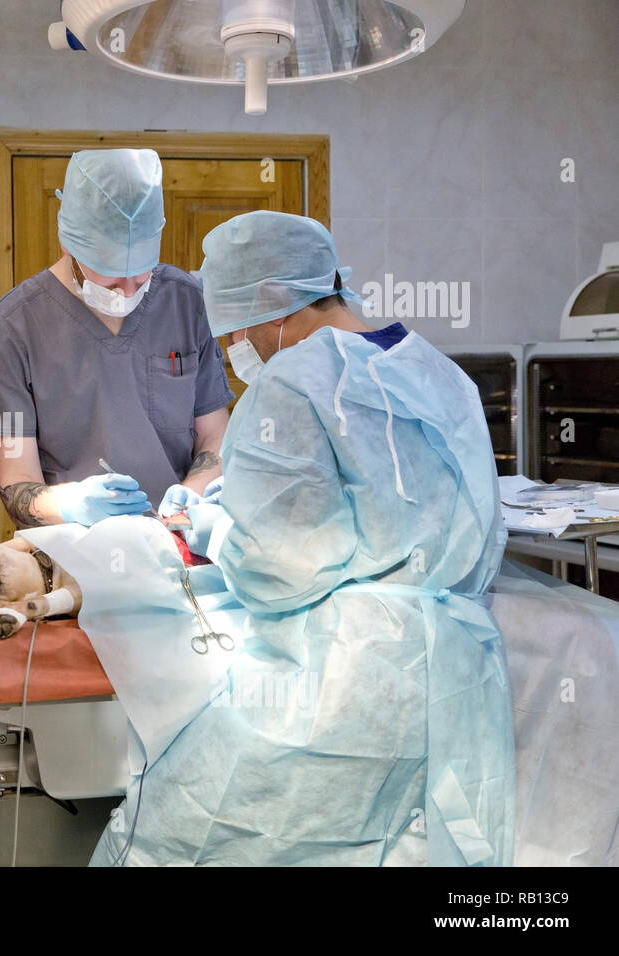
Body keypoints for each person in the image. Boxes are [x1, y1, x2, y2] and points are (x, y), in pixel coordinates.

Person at [90, 210, 515, 865]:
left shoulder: (294, 379)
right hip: (456, 673)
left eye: (236, 331)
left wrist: (218, 525)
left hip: (340, 681)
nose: (237, 350)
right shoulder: (438, 370)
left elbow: (280, 570)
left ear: (271, 308)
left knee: (177, 839)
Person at [0, 148, 232, 531]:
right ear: (69, 242)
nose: (127, 292)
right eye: (110, 279)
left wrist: (193, 494)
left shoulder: (185, 303)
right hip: (71, 560)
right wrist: (72, 503)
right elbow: (17, 483)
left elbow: (216, 435)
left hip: (177, 543)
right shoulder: (7, 330)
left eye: (141, 277)